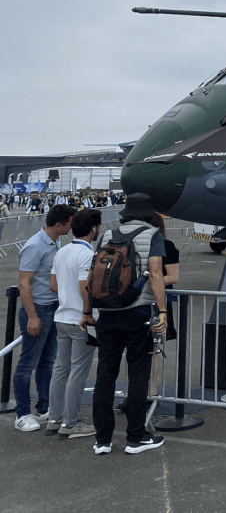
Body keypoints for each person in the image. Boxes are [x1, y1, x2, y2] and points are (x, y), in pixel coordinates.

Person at [92, 193, 168, 455]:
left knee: (105, 375)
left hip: (106, 312)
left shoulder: (105, 236)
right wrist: (163, 311)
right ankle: (136, 436)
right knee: (137, 375)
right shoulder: (152, 235)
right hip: (137, 311)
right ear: (149, 215)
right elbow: (156, 274)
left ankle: (102, 439)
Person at [13, 204, 75, 431]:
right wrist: (32, 316)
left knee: (47, 361)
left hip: (51, 307)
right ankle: (21, 413)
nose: (72, 226)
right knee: (27, 363)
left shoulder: (54, 241)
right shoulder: (35, 246)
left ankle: (43, 407)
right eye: (70, 222)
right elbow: (24, 283)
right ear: (59, 224)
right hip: (37, 309)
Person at [46, 208, 103, 439]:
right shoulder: (88, 254)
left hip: (62, 317)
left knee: (60, 370)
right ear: (93, 229)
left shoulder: (62, 252)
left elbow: (53, 284)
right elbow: (84, 288)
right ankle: (70, 422)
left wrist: (68, 293)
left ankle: (54, 418)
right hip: (81, 318)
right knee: (78, 372)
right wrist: (88, 313)